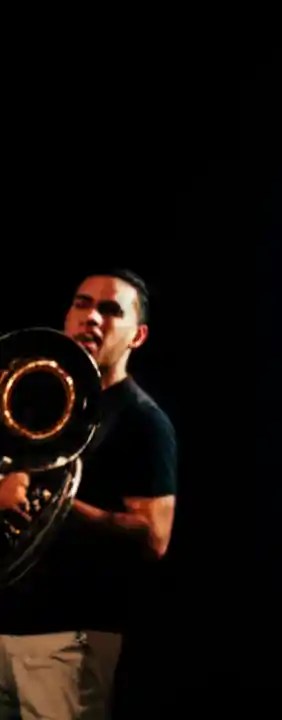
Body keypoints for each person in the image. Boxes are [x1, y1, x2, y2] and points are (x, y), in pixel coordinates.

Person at [0, 267, 177, 719]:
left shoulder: (143, 420)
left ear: (138, 336)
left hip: (68, 639)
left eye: (111, 310)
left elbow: (155, 537)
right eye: (82, 304)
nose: (91, 317)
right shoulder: (34, 395)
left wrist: (51, 502)